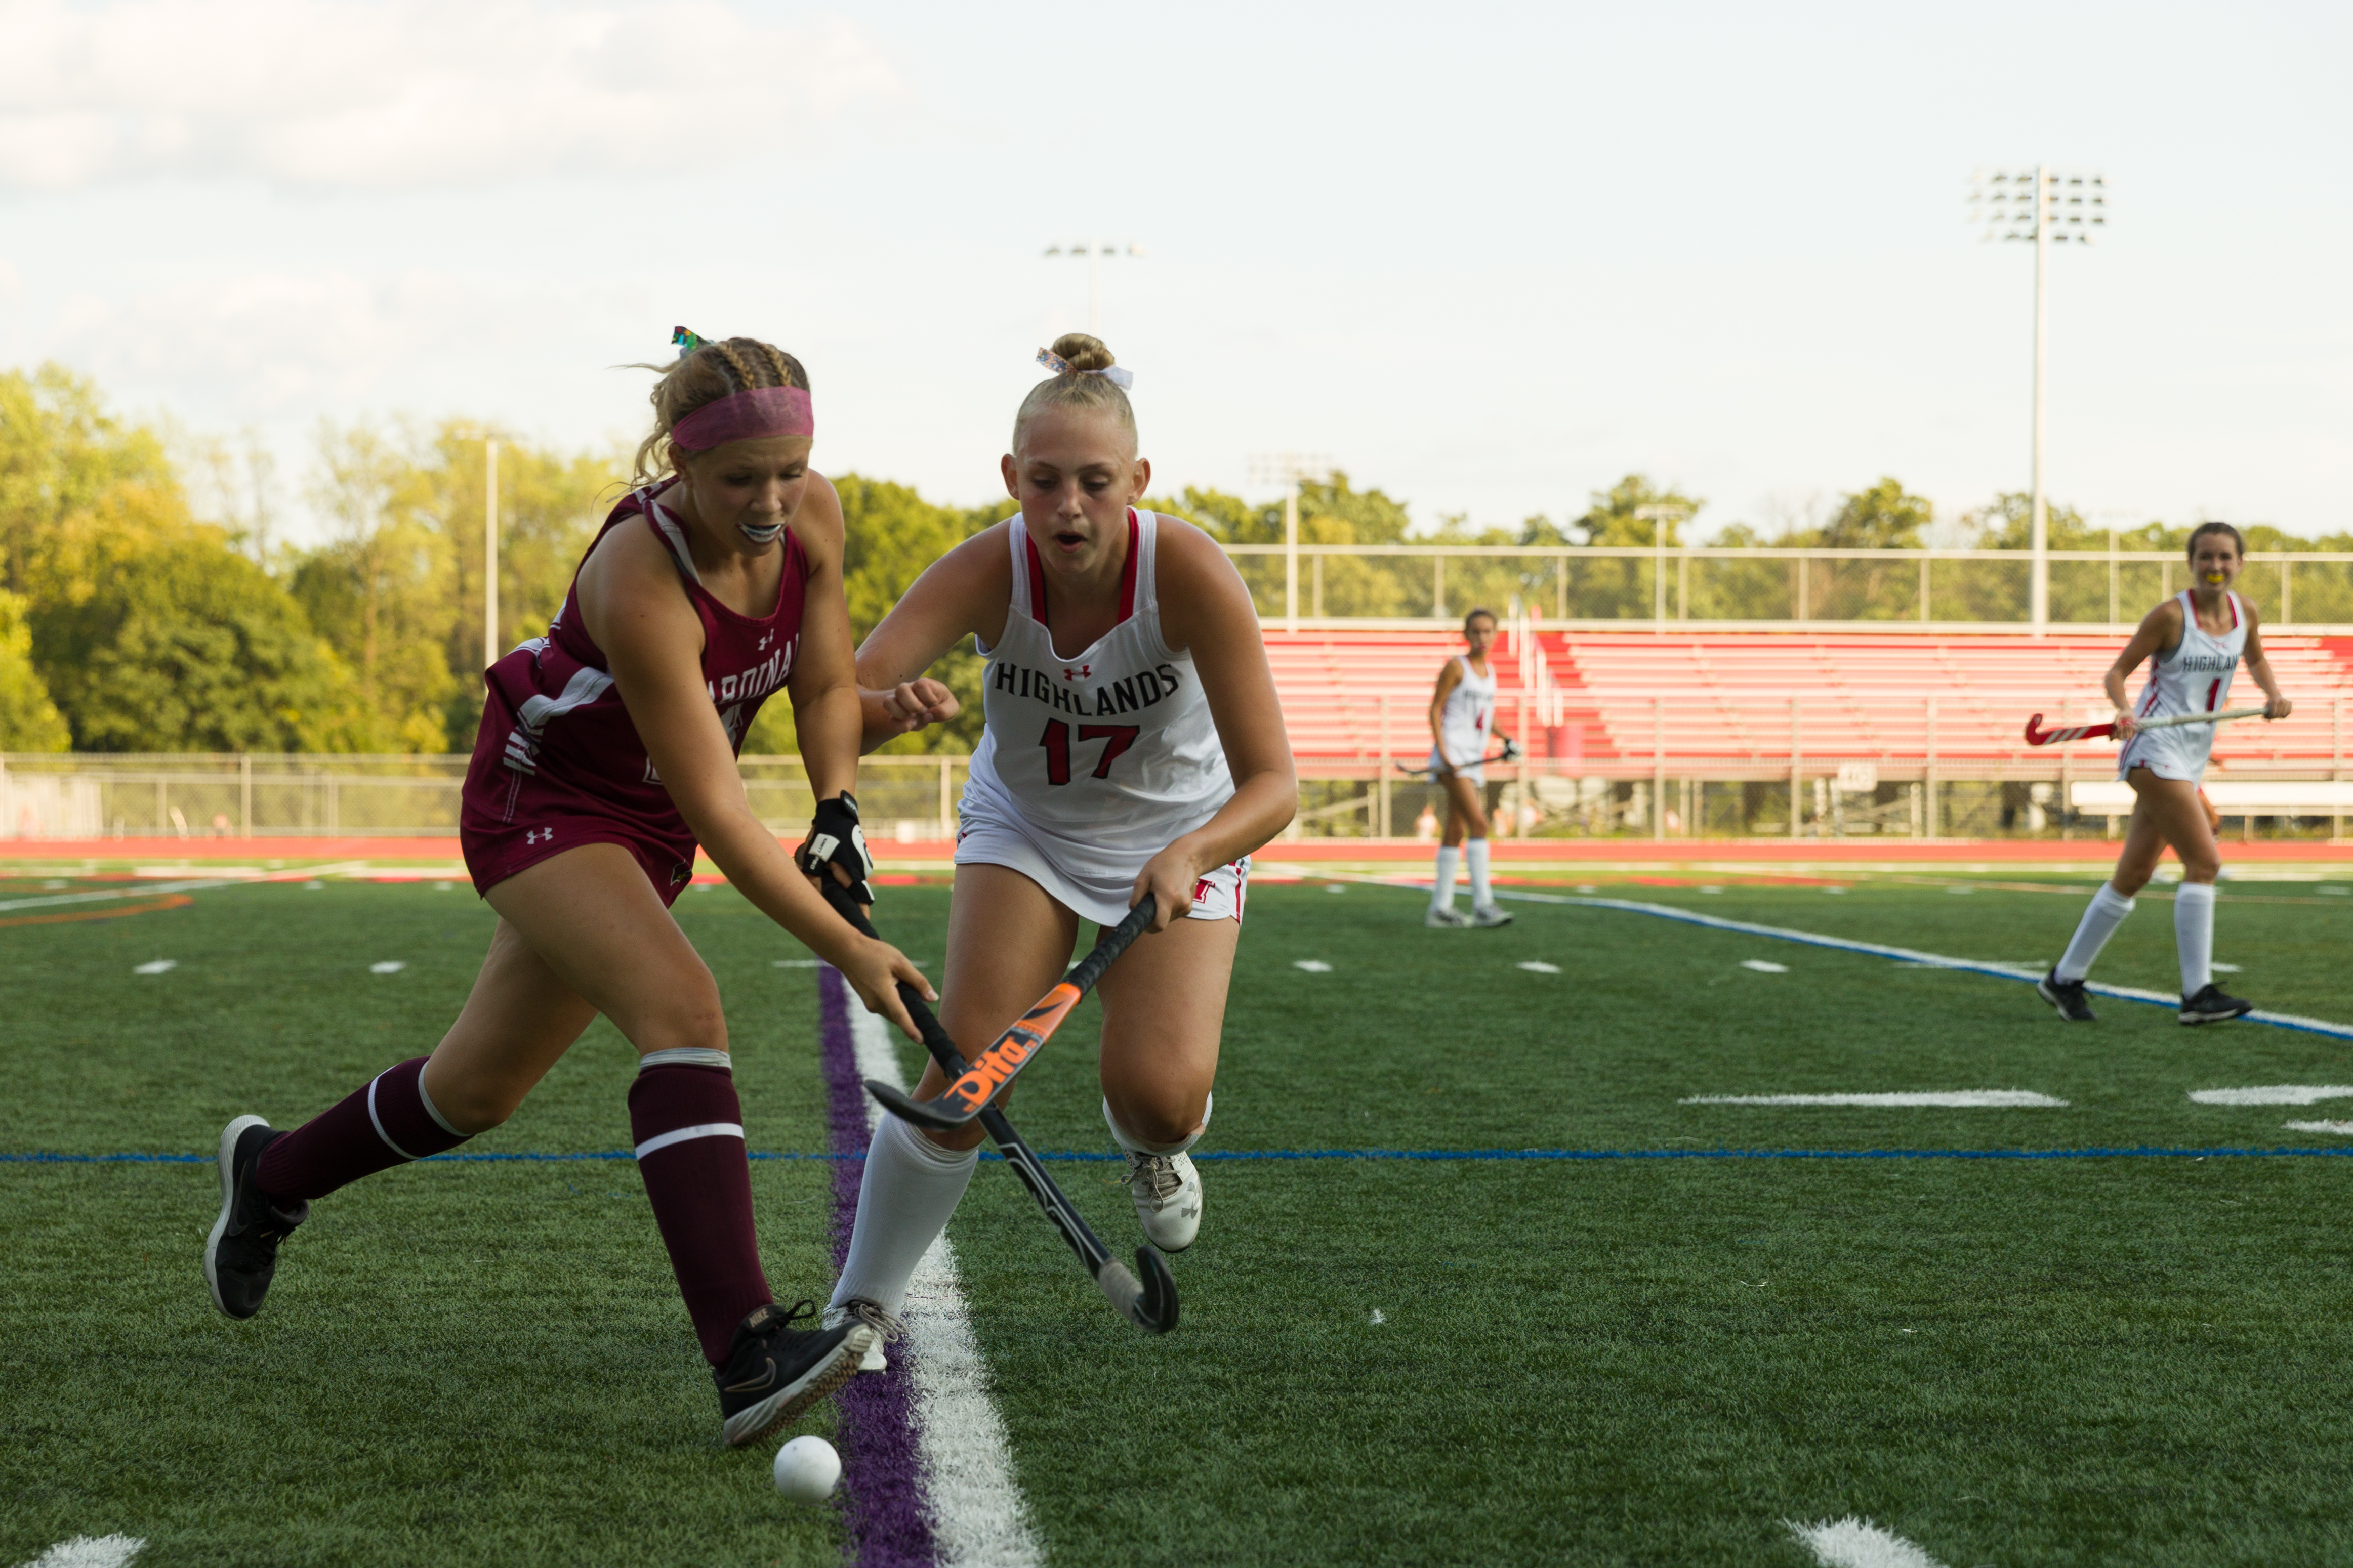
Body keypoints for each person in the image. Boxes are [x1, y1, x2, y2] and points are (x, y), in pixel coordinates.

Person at [201, 329, 935, 1448]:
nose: (771, 501)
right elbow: (724, 816)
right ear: (677, 466)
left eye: (790, 471)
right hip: (543, 803)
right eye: (741, 479)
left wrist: (837, 805)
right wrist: (848, 944)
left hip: (639, 819)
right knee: (681, 1013)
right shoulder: (639, 577)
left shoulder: (814, 517)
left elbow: (827, 683)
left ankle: (271, 1174)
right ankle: (744, 1355)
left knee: (473, 1091)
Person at [827, 334, 1295, 1367]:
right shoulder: (986, 567)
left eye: (1093, 483)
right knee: (962, 1081)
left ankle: (1150, 1146)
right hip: (1026, 830)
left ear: (1137, 482)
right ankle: (857, 1310)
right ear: (1011, 481)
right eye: (1044, 483)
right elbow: (839, 703)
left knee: (1159, 1095)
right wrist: (888, 711)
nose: (1068, 506)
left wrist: (1194, 852)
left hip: (1182, 834)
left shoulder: (1187, 571)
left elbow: (1275, 784)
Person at [2038, 522, 2291, 1025]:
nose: (2214, 567)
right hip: (2152, 747)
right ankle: (2196, 995)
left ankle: (2062, 979)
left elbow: (2256, 659)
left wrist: (2272, 695)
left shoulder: (2246, 614)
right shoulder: (2171, 616)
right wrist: (2121, 709)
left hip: (2192, 752)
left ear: (2239, 563)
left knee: (2132, 876)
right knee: (2204, 861)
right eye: (2204, 557)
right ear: (2190, 562)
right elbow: (2116, 672)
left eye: (2223, 557)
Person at [1425, 608, 1513, 928]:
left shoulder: (1490, 673)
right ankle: (1483, 905)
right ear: (1466, 634)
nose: (1482, 637)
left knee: (1456, 829)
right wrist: (1445, 753)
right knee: (1479, 823)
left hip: (1473, 760)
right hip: (1454, 759)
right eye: (1476, 632)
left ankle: (1440, 909)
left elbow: (1487, 718)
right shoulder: (1456, 667)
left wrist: (1507, 738)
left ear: (1495, 634)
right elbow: (1435, 710)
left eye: (1488, 631)